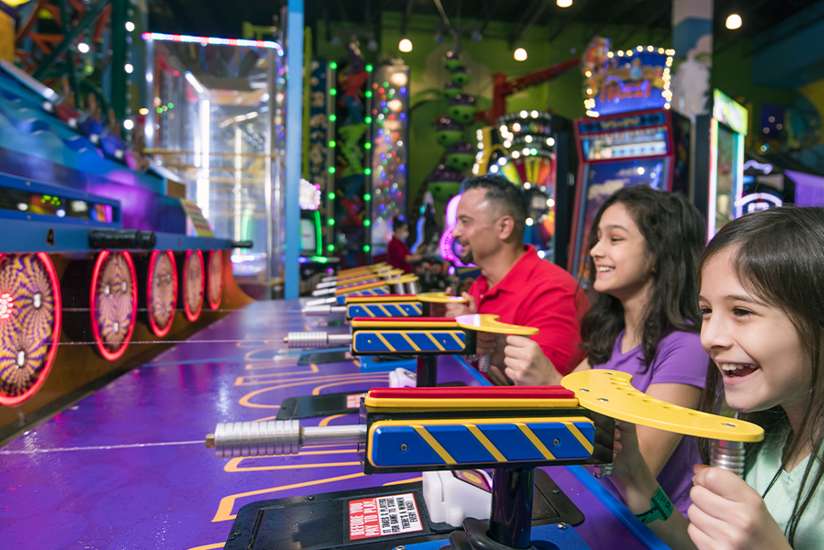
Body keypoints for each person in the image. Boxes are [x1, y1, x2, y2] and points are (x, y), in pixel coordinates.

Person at [609, 207, 824, 550]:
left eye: (742, 311)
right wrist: (637, 481)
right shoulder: (764, 437)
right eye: (707, 311)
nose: (710, 338)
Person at [507, 186, 708, 514]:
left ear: (659, 252)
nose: (596, 251)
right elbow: (557, 430)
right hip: (590, 506)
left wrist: (551, 383)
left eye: (615, 239)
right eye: (598, 239)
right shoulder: (612, 336)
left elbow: (635, 471)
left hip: (649, 532)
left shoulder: (685, 348)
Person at [444, 174, 586, 378]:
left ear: (504, 228)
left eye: (465, 222)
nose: (456, 232)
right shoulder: (481, 285)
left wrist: (482, 342)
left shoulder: (551, 291)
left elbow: (544, 390)